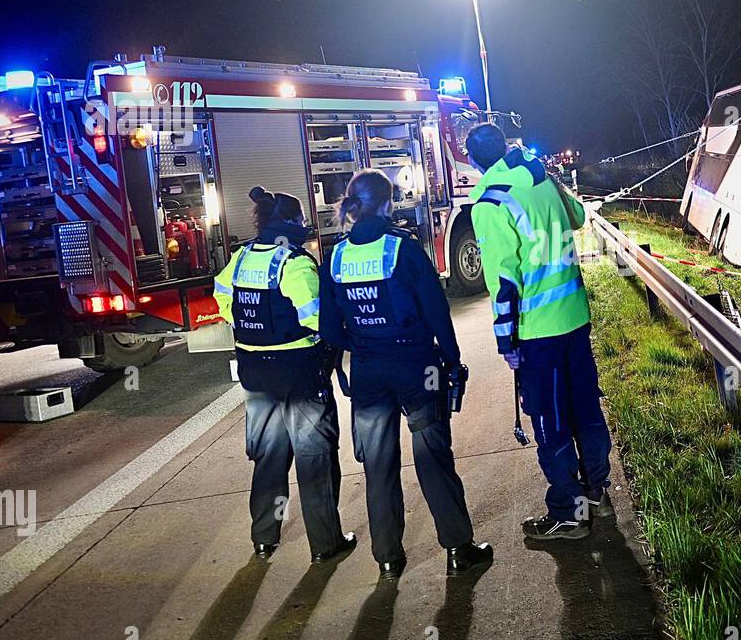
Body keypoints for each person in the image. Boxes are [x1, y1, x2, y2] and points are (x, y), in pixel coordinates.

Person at [320, 169, 492, 579]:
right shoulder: (405, 249)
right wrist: (452, 361)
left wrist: (359, 344)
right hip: (417, 367)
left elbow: (327, 329)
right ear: (386, 203)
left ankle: (387, 558)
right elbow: (436, 311)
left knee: (378, 466)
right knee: (433, 457)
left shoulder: (337, 256)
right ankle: (457, 549)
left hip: (367, 372)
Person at [466, 123, 613, 540]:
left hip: (538, 333)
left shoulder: (490, 203)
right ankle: (596, 491)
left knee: (550, 423)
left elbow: (504, 280)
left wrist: (505, 340)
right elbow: (579, 217)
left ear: (475, 161)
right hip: (575, 318)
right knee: (585, 407)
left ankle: (569, 512)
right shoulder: (540, 176)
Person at [213, 187, 354, 562]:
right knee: (314, 459)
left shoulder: (241, 258)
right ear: (291, 222)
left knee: (269, 457)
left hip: (256, 373)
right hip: (298, 372)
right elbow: (315, 318)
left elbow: (222, 295)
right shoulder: (295, 263)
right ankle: (326, 545)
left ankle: (264, 537)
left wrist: (247, 326)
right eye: (301, 218)